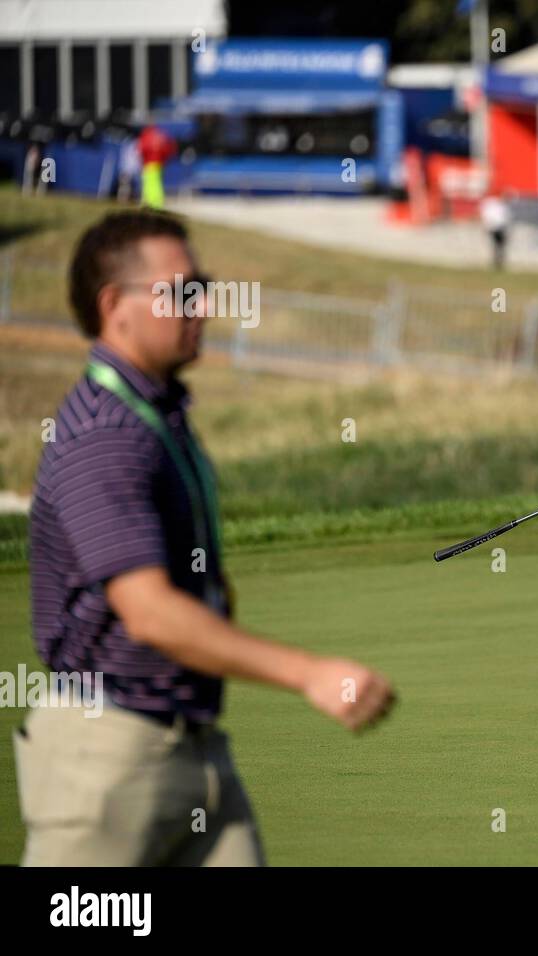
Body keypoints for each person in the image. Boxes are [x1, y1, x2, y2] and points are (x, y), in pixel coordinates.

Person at [18, 211, 395, 866]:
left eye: (204, 287)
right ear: (116, 306)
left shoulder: (157, 409)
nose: (205, 305)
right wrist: (310, 675)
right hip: (108, 758)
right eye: (183, 291)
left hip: (190, 746)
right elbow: (147, 611)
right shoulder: (106, 433)